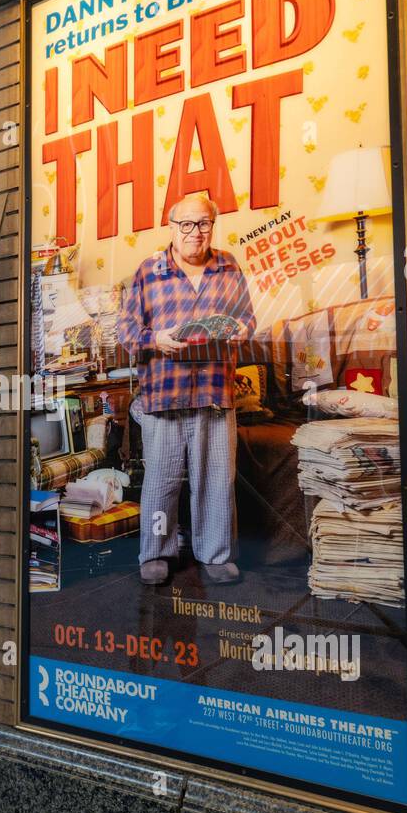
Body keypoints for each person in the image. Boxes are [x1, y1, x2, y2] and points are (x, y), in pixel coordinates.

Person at [117, 193, 256, 586]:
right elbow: (126, 331)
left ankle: (215, 555)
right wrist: (156, 339)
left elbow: (248, 317)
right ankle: (156, 553)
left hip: (214, 393)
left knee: (217, 480)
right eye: (187, 224)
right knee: (161, 483)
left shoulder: (228, 265)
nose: (196, 232)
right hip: (164, 394)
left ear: (212, 225)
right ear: (172, 227)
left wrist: (242, 329)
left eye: (204, 223)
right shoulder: (149, 271)